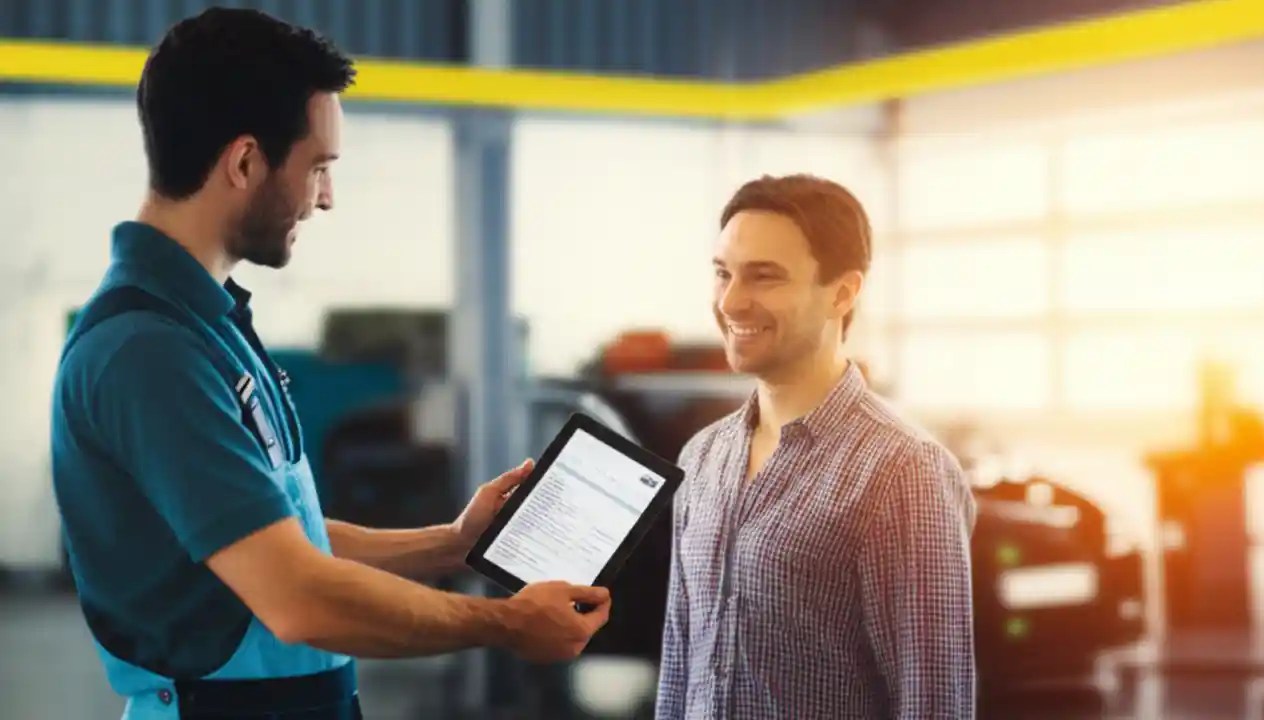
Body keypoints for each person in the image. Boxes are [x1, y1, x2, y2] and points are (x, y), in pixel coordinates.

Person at [49, 9, 609, 720]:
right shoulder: (149, 351)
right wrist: (508, 624)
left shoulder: (205, 325)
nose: (326, 198)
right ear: (245, 162)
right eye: (317, 167)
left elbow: (283, 538)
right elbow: (297, 596)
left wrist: (454, 545)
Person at [654, 174, 977, 719]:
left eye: (764, 277)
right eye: (722, 274)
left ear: (843, 292)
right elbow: (679, 667)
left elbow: (935, 702)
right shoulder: (702, 458)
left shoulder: (904, 470)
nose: (732, 301)